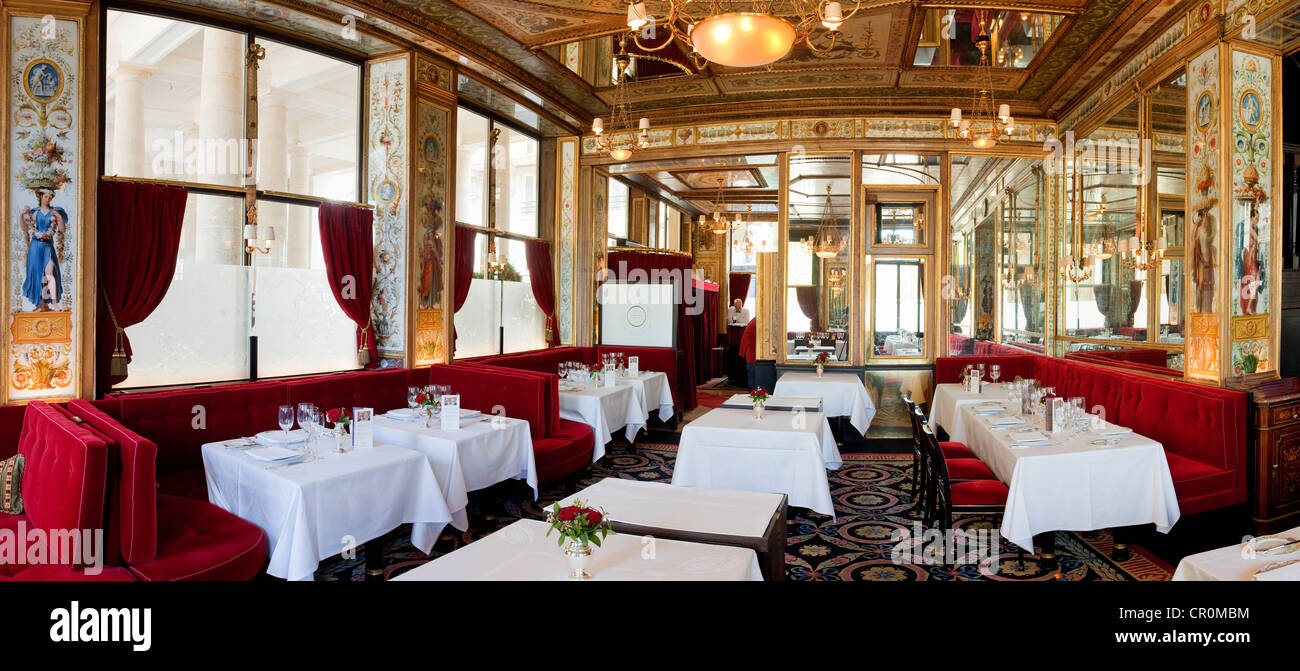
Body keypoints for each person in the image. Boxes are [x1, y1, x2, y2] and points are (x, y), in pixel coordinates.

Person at [21, 187, 66, 312]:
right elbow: (26, 229)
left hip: (47, 247)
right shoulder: (34, 212)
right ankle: (41, 305)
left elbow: (62, 229)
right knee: (38, 276)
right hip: (35, 247)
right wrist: (22, 215)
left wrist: (58, 217)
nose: (48, 199)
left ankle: (54, 303)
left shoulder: (54, 212)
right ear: (41, 196)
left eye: (50, 197)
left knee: (49, 274)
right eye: (46, 196)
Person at [739, 317, 757, 391]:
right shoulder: (760, 321)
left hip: (751, 347)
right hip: (750, 348)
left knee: (752, 374)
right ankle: (753, 395)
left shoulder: (757, 319)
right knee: (752, 373)